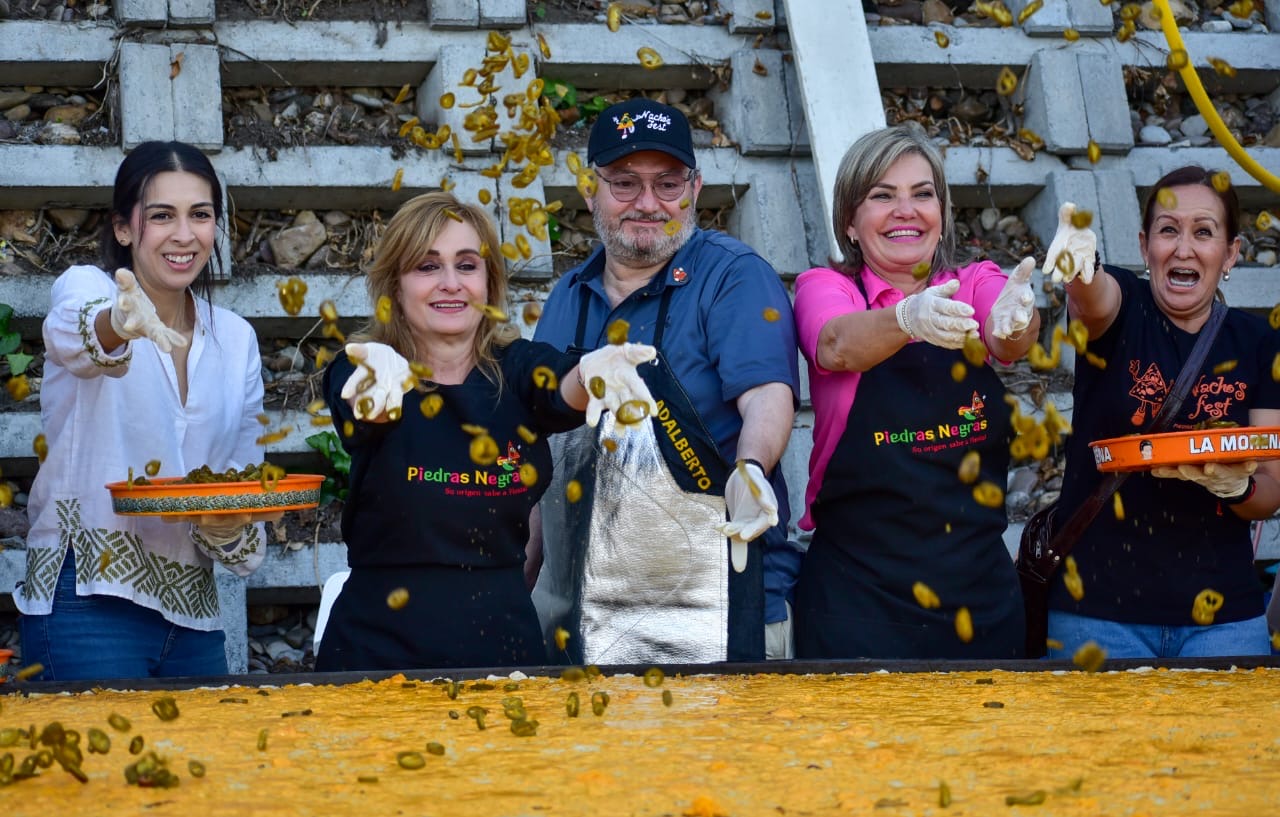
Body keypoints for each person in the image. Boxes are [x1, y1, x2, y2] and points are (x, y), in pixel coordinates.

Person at [316, 192, 657, 671]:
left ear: (489, 280)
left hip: (500, 646)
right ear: (394, 283)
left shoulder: (517, 369)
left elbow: (564, 385)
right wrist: (377, 381)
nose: (451, 284)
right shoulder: (364, 366)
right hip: (375, 647)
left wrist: (594, 371)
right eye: (427, 266)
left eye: (467, 265)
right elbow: (361, 404)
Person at [529, 98, 801, 665]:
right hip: (584, 617)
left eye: (668, 183)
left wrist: (752, 467)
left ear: (696, 189)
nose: (648, 204)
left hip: (722, 605)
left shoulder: (733, 276)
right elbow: (539, 449)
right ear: (590, 190)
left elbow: (766, 396)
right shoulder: (566, 299)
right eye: (624, 183)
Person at [18, 141, 273, 680]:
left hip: (195, 617)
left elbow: (240, 481)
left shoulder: (236, 338)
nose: (184, 235)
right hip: (86, 597)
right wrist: (120, 321)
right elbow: (75, 334)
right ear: (124, 228)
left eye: (200, 215)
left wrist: (228, 524)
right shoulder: (89, 289)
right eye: (162, 216)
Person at [791, 122, 1040, 660]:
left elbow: (1009, 334)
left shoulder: (973, 282)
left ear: (942, 213)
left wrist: (1020, 314)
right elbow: (835, 344)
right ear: (851, 224)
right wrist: (908, 317)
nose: (906, 210)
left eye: (922, 194)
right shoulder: (826, 288)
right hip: (858, 601)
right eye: (882, 196)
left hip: (980, 604)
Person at [1044, 165, 1280, 659]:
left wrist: (1239, 485)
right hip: (1098, 617)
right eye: (1168, 230)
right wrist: (1081, 270)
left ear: (1232, 252)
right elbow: (1094, 300)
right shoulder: (1125, 306)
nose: (1184, 248)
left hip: (1224, 622)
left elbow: (1270, 493)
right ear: (1145, 244)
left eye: (1204, 232)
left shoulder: (1258, 343)